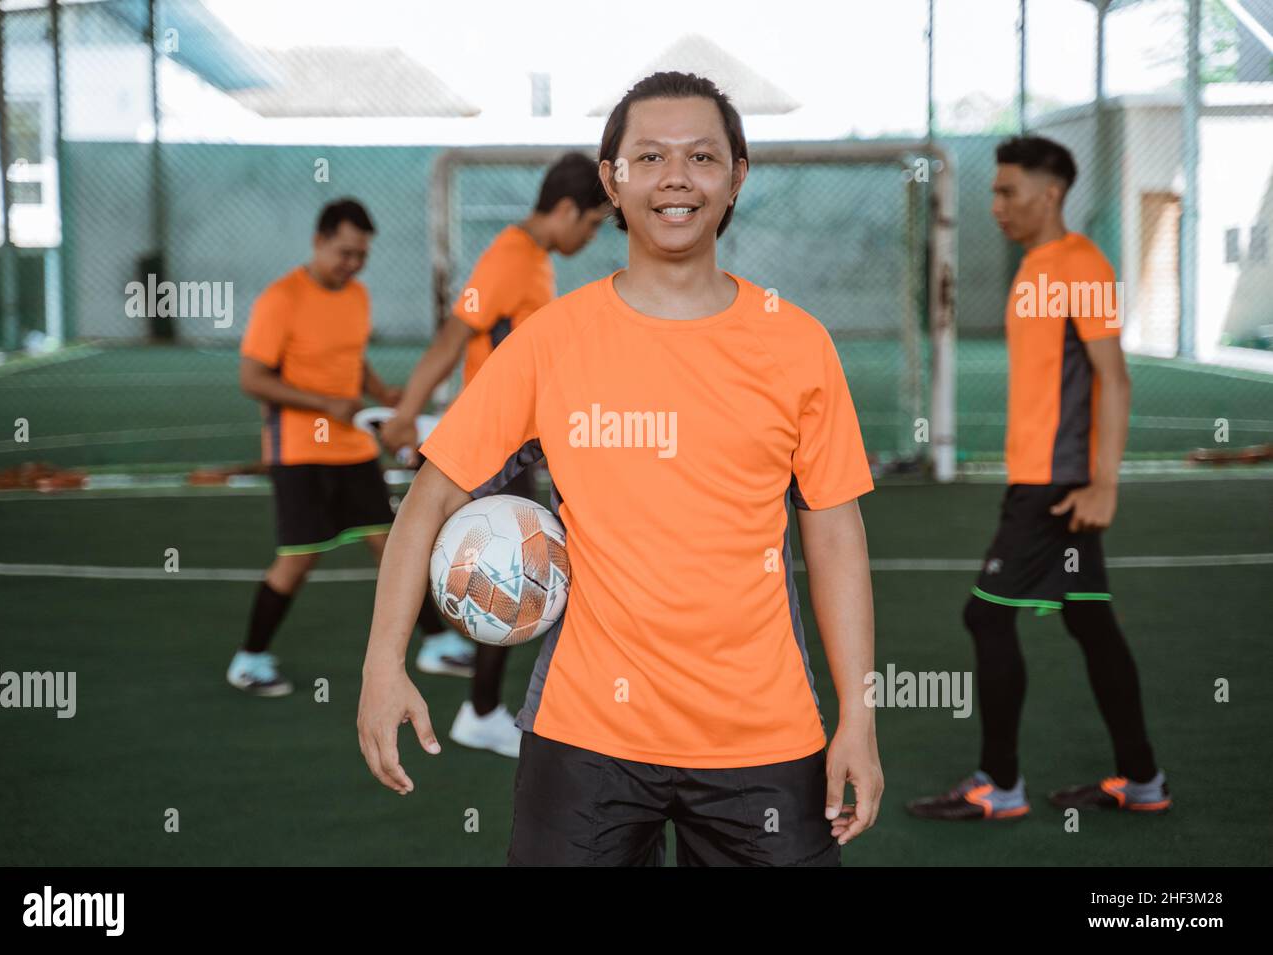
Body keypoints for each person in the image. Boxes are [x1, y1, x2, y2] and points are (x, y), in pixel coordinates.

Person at [358, 71, 883, 866]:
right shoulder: (550, 340)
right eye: (650, 156)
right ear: (613, 181)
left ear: (738, 177)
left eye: (703, 156)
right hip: (585, 736)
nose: (676, 177)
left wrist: (859, 717)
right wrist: (381, 664)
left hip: (763, 736)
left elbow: (836, 535)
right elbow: (430, 500)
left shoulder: (798, 345)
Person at [907, 136, 1169, 820]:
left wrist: (1104, 483)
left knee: (985, 617)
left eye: (1007, 192)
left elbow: (1114, 380)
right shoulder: (1036, 267)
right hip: (1040, 477)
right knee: (1089, 622)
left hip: (1057, 485)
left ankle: (1001, 785)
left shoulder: (1079, 266)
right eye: (994, 192)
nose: (995, 206)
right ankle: (1142, 780)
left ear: (1049, 194)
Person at [379, 153, 610, 756]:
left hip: (519, 449)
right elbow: (453, 337)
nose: (590, 238)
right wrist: (407, 413)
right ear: (565, 209)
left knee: (520, 573)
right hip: (494, 447)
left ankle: (481, 705)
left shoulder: (533, 259)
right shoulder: (511, 258)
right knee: (513, 573)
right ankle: (480, 709)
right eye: (590, 224)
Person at [229, 198, 450, 694]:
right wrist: (324, 404)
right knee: (298, 560)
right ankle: (249, 658)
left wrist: (381, 393)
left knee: (392, 545)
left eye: (361, 256)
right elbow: (252, 378)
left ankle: (437, 643)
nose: (352, 264)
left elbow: (352, 357)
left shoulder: (356, 296)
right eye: (345, 253)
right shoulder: (281, 299)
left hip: (353, 450)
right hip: (300, 452)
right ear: (319, 241)